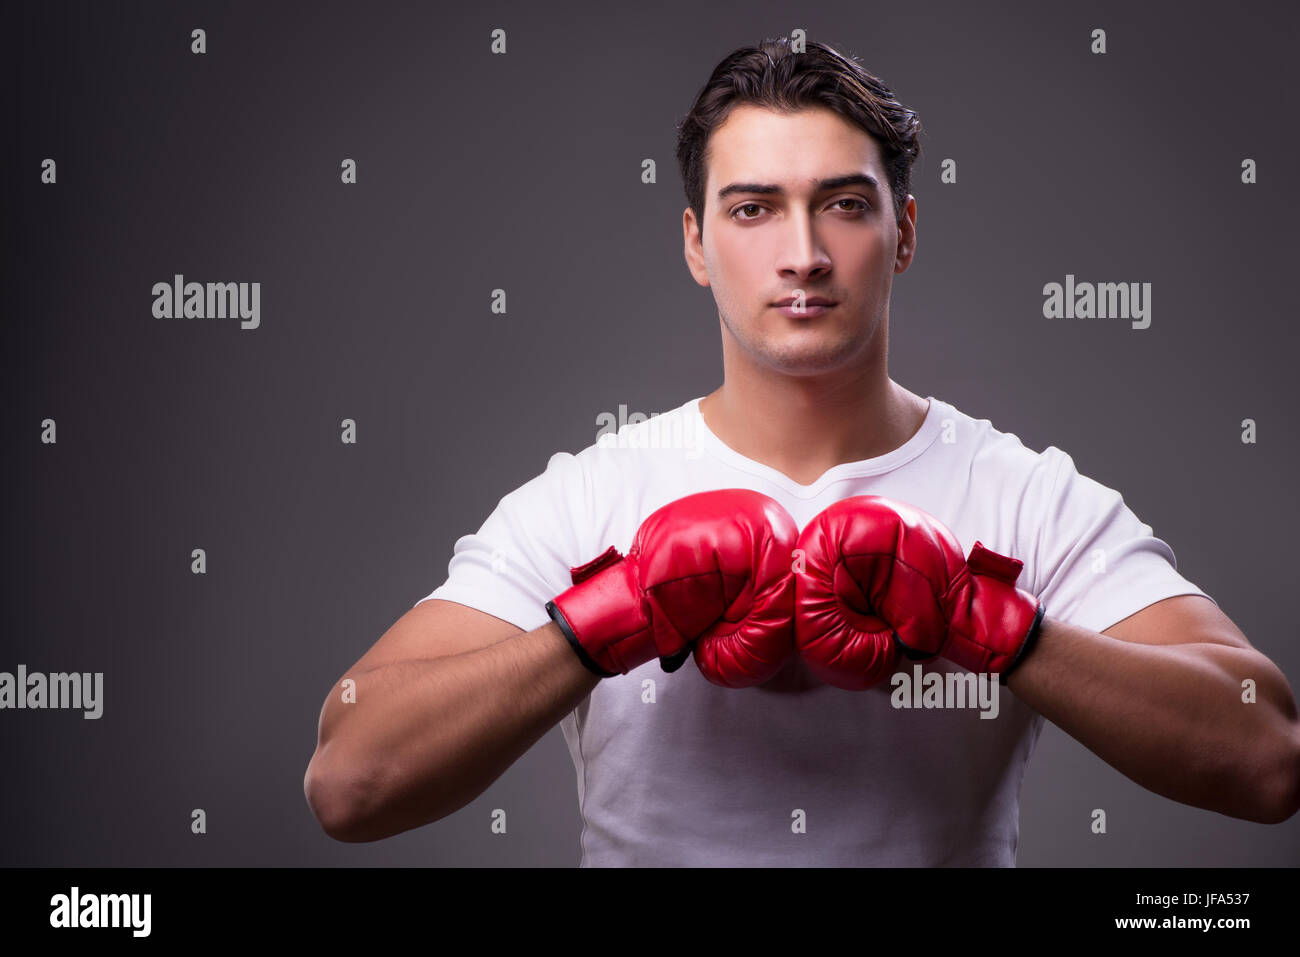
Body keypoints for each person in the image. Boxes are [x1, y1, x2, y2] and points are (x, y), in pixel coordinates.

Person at [303, 37, 1300, 865]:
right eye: (753, 208)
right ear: (695, 242)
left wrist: (983, 617)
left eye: (843, 204)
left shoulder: (1022, 498)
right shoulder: (587, 501)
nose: (803, 254)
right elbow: (352, 783)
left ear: (901, 232)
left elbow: (1267, 759)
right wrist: (602, 619)